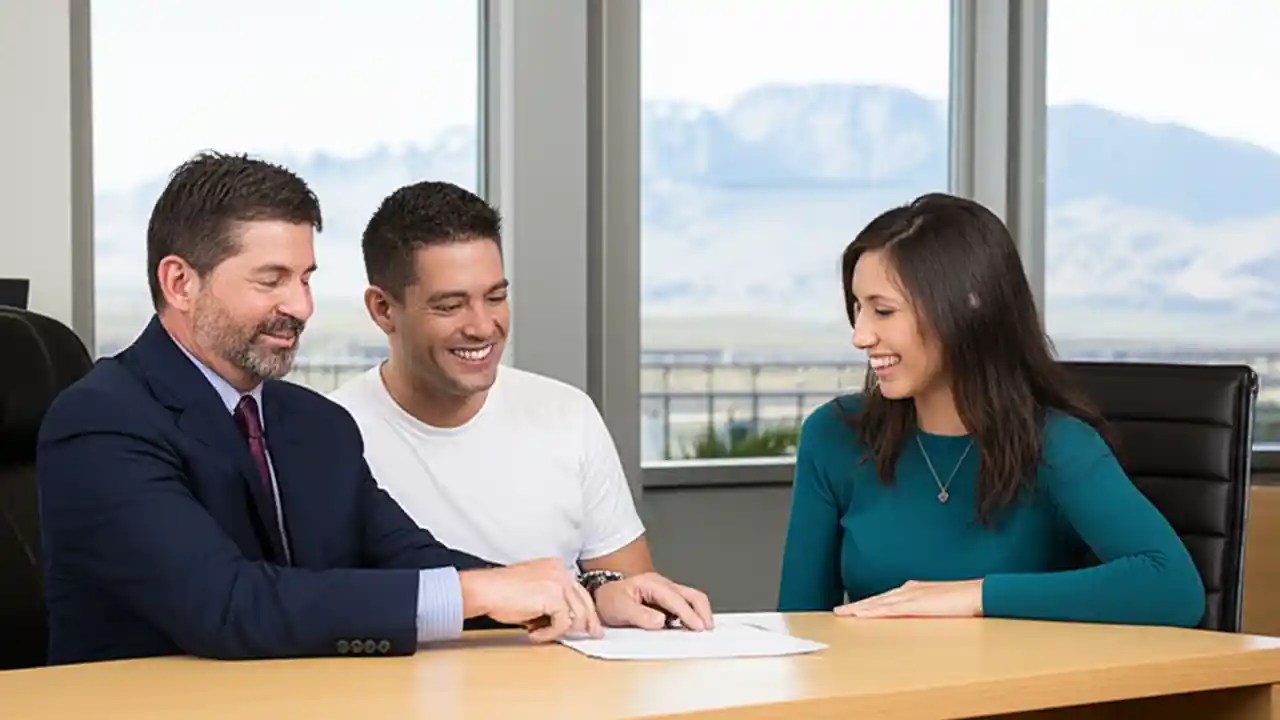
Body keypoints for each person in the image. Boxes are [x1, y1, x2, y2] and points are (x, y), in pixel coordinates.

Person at [37, 152, 604, 665]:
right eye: (272, 280)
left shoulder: (315, 423)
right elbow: (228, 607)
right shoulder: (101, 422)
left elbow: (406, 559)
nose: (300, 306)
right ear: (180, 282)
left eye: (306, 278)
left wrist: (577, 596)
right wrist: (477, 592)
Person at [777, 193, 1205, 627]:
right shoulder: (833, 435)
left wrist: (973, 595)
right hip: (878, 692)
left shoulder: (1056, 445)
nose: (861, 335)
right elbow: (799, 626)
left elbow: (1173, 588)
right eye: (857, 308)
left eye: (883, 310)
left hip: (1021, 692)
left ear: (968, 304)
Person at [329, 181, 714, 632]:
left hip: (564, 694)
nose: (482, 326)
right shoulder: (329, 437)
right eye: (451, 305)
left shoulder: (567, 414)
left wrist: (610, 592)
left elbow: (631, 595)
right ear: (382, 310)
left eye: (495, 297)